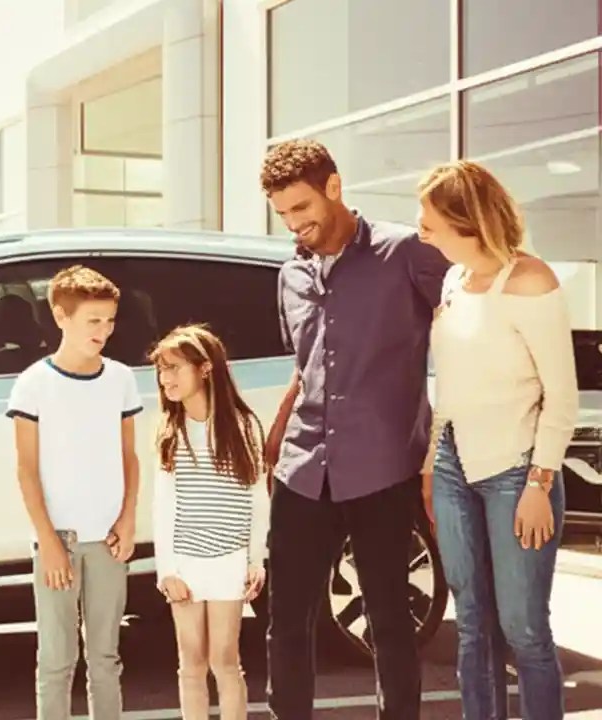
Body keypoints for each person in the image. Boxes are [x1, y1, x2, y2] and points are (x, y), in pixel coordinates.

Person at [259, 139, 452, 720]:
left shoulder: (408, 254)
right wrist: (276, 434)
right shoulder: (291, 273)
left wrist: (437, 444)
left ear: (334, 188)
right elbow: (305, 362)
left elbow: (467, 326)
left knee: (390, 619)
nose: (295, 225)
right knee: (287, 619)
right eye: (283, 214)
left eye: (301, 208)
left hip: (383, 468)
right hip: (302, 468)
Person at [418, 160, 578, 720]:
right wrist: (429, 465)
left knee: (524, 630)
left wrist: (541, 481)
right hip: (452, 466)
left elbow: (563, 397)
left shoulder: (531, 281)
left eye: (430, 221)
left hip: (517, 472)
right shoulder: (452, 281)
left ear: (466, 221)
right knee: (470, 624)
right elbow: (448, 382)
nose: (421, 231)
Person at [6, 263, 143, 720]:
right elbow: (26, 470)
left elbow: (129, 457)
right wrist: (47, 541)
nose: (103, 330)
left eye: (109, 320)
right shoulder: (34, 383)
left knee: (106, 658)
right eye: (93, 320)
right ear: (62, 317)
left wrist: (127, 519)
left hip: (108, 538)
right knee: (56, 659)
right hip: (57, 538)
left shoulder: (121, 379)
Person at [149, 323, 269, 720]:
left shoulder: (242, 425)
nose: (166, 378)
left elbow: (257, 495)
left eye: (174, 368)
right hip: (186, 560)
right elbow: (163, 503)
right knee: (191, 665)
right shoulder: (170, 430)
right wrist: (167, 569)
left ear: (204, 369)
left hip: (229, 560)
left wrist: (255, 559)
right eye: (161, 369)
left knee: (225, 661)